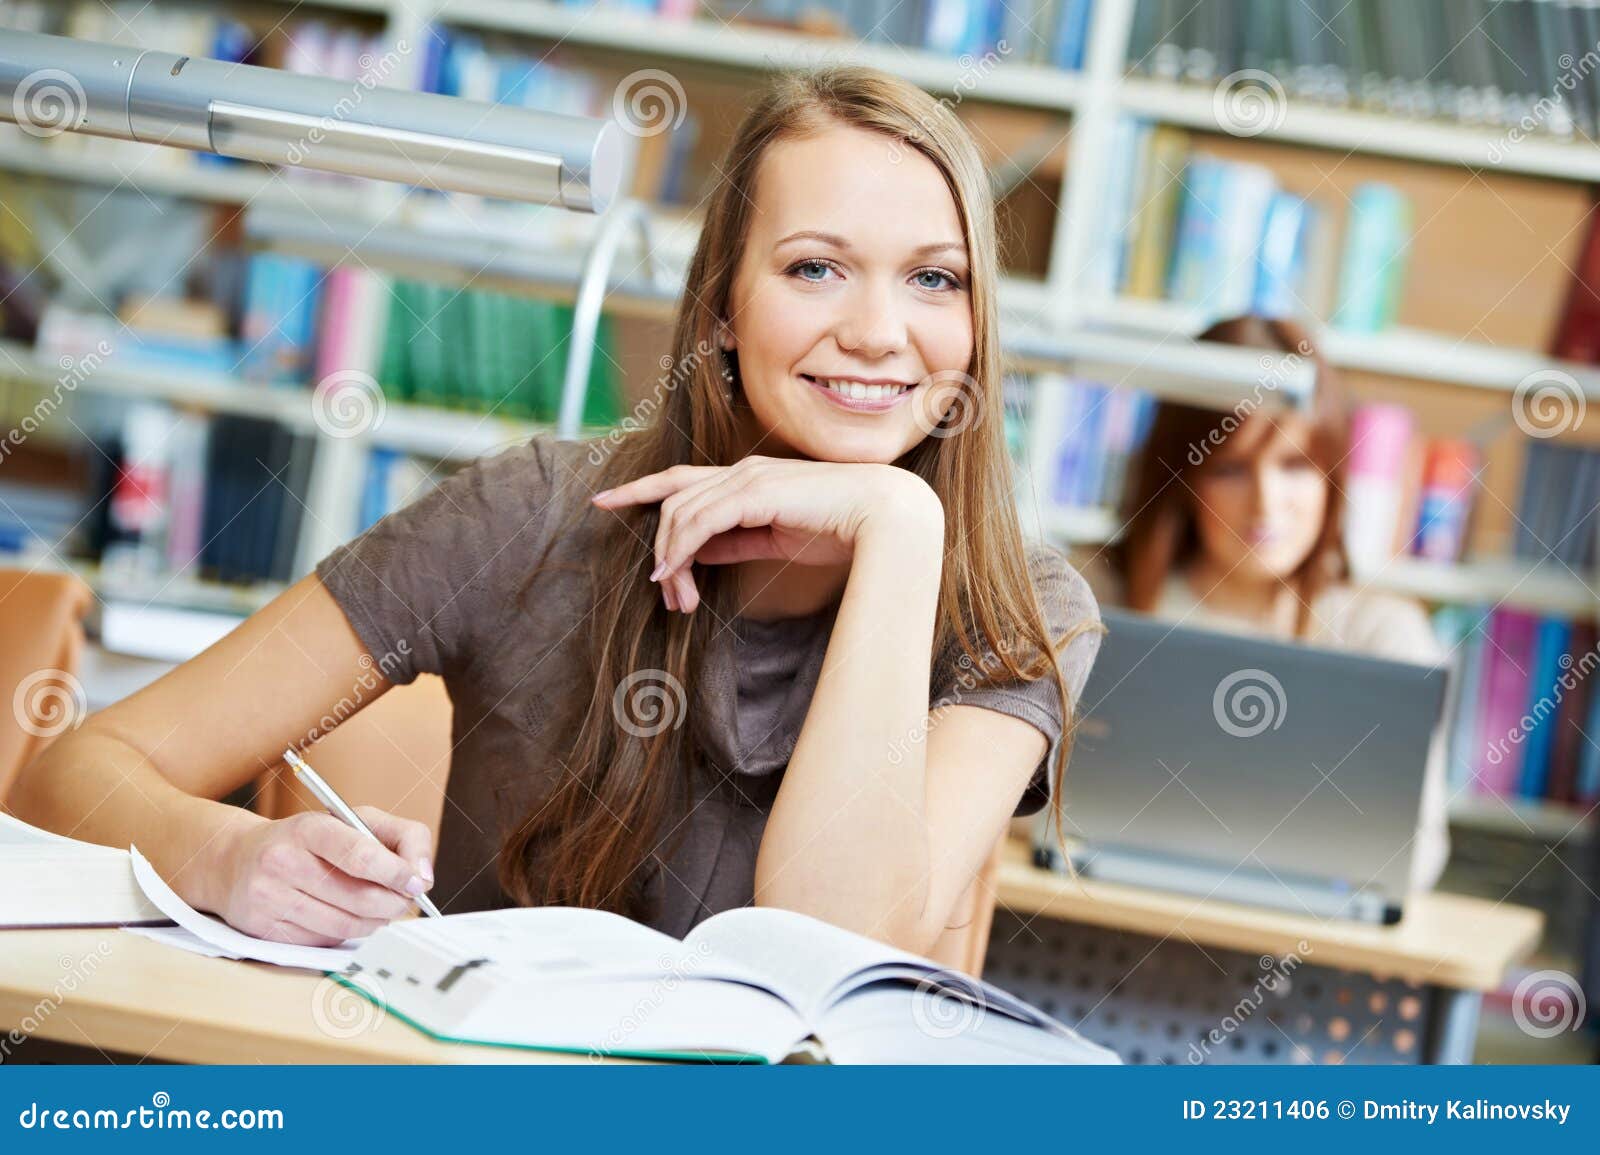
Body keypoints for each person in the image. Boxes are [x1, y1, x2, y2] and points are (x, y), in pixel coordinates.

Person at [10, 66, 1103, 956]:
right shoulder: (533, 514)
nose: (877, 332)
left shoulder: (1021, 608)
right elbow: (73, 774)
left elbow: (831, 946)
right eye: (815, 268)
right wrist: (225, 857)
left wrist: (897, 531)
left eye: (934, 280)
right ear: (722, 303)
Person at [1104, 313, 1450, 891]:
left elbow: (1413, 858)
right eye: (1232, 469)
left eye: (1295, 466)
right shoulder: (1093, 598)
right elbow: (1015, 807)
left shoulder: (1383, 636)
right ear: (1183, 480)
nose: (1266, 504)